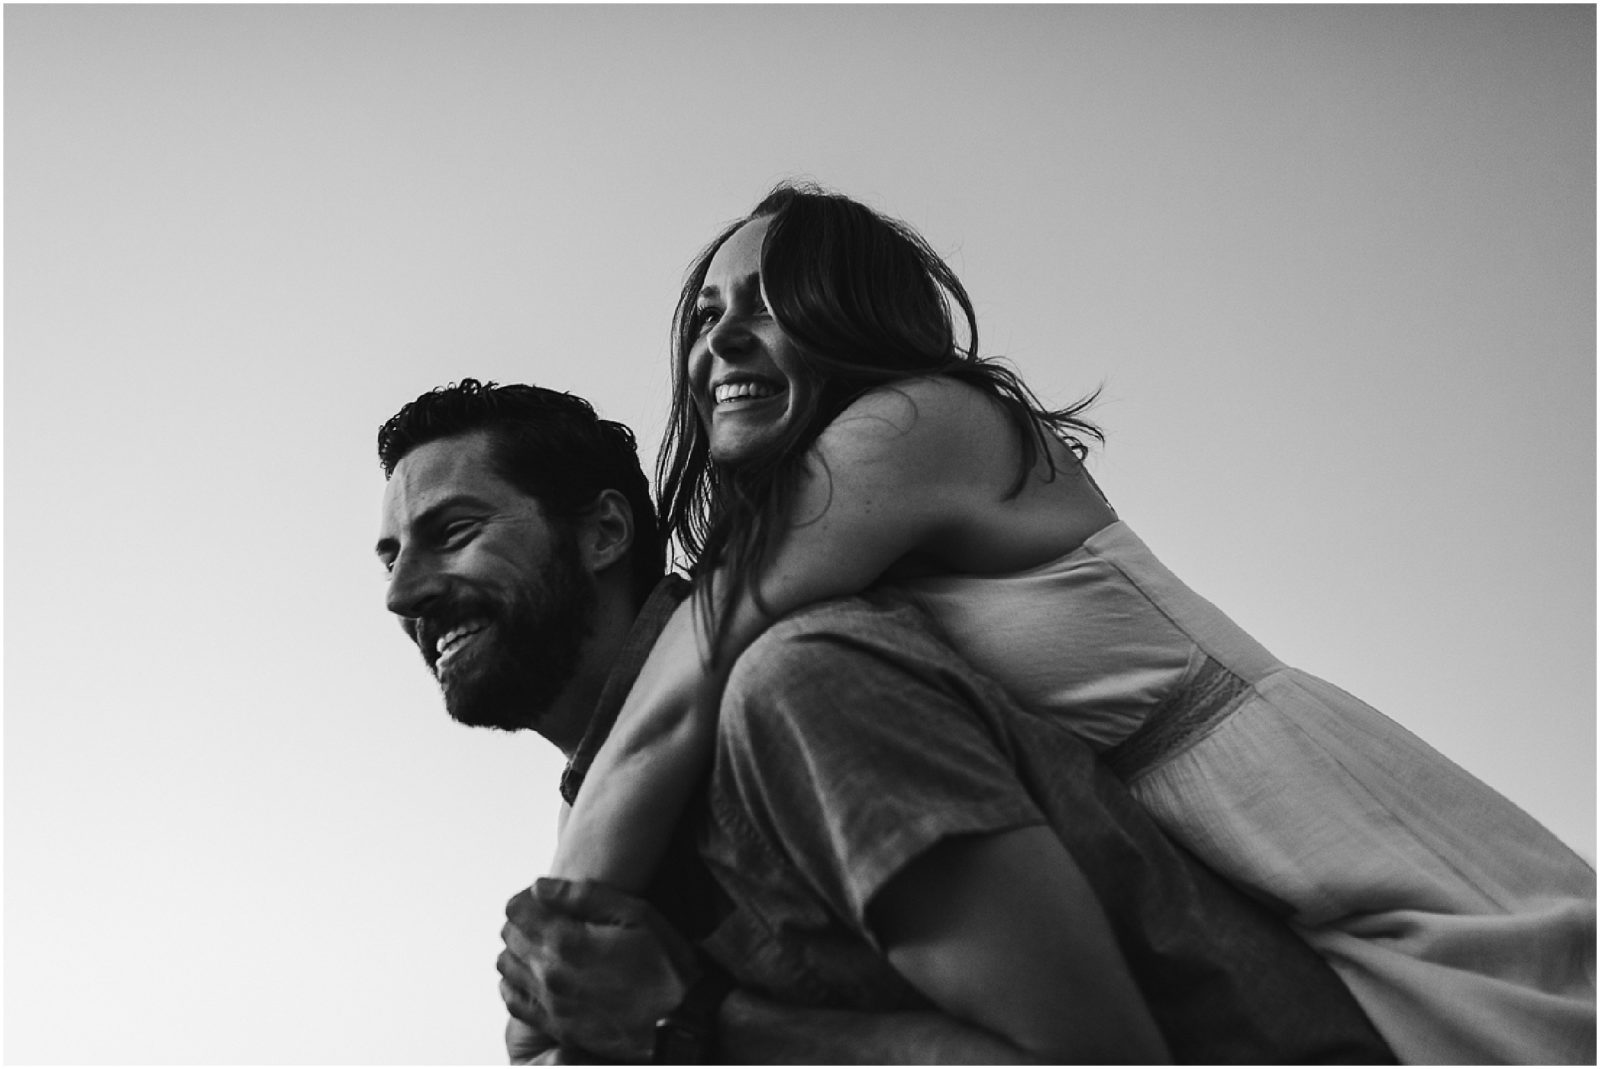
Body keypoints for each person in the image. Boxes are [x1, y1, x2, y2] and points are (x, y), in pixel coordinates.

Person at [552, 183, 1598, 1065]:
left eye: (772, 302)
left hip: (1333, 836)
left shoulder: (918, 423)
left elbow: (676, 696)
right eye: (705, 311)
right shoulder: (831, 539)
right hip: (1219, 884)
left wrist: (551, 949)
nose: (722, 336)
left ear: (849, 316)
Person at [375, 379, 1395, 1063]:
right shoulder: (615, 853)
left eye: (452, 534)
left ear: (602, 532)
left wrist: (690, 1020)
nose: (404, 594)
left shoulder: (801, 687)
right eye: (389, 557)